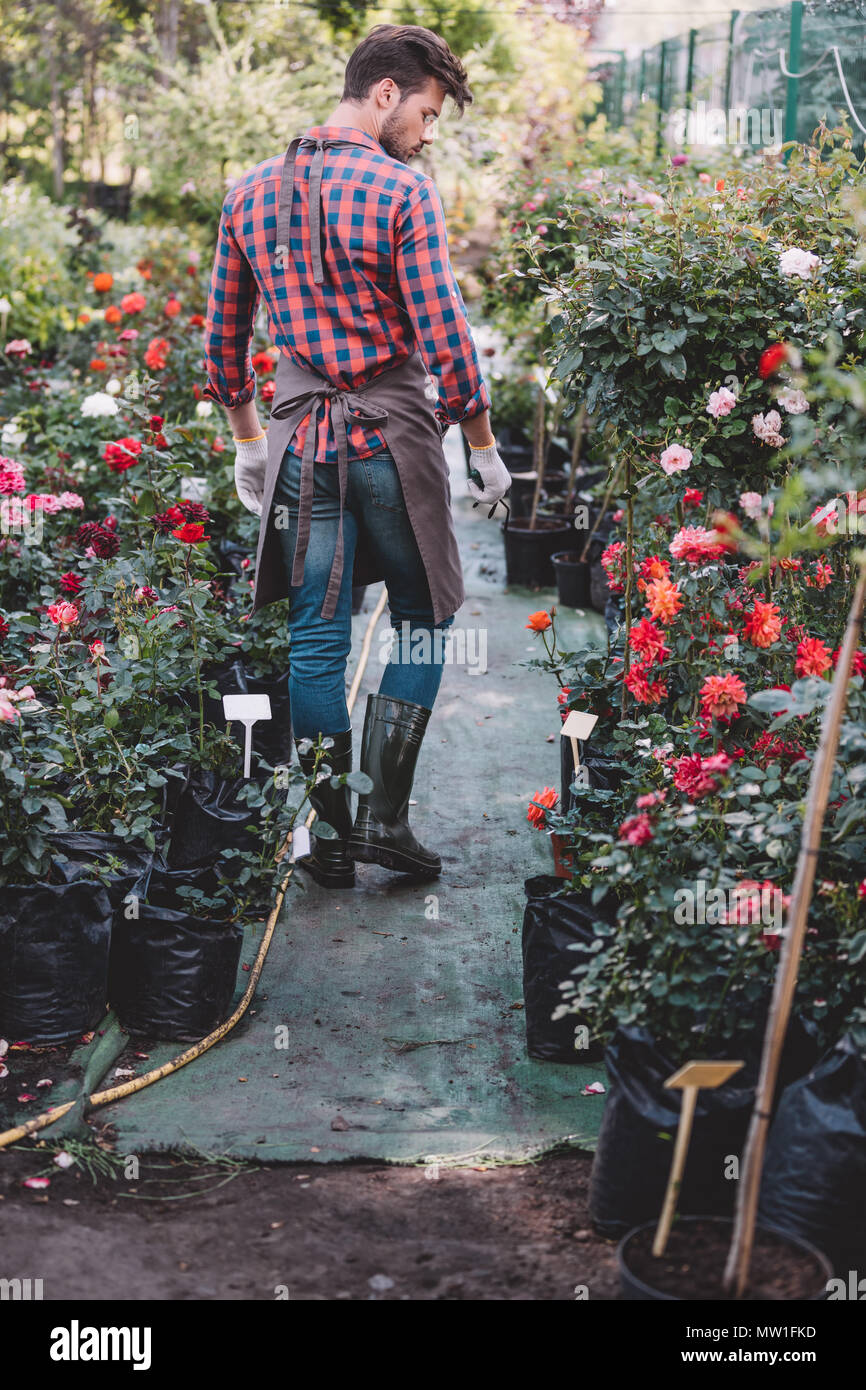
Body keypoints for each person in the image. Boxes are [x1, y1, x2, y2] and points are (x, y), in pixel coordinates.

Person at [203, 23, 510, 890]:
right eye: (426, 111)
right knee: (424, 617)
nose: (426, 131)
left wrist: (248, 443)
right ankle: (383, 818)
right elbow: (446, 332)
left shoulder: (248, 194)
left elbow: (223, 347)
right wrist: (481, 447)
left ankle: (330, 837)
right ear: (384, 94)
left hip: (301, 440)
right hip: (389, 438)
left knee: (315, 633)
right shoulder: (401, 190)